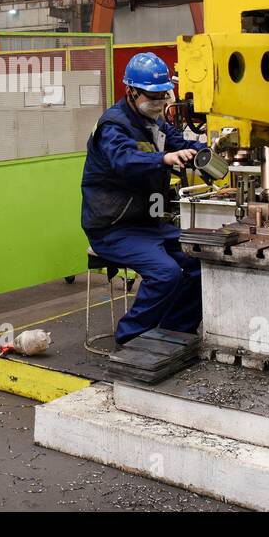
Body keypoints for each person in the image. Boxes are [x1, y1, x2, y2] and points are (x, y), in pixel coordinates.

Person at [81, 52, 207, 345]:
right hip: (114, 227)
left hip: (149, 223)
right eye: (153, 96)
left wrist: (208, 148)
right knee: (166, 273)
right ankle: (131, 338)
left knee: (200, 264)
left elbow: (180, 143)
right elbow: (124, 160)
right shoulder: (113, 126)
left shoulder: (156, 123)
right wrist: (164, 159)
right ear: (131, 91)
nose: (160, 102)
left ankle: (175, 331)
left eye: (163, 95)